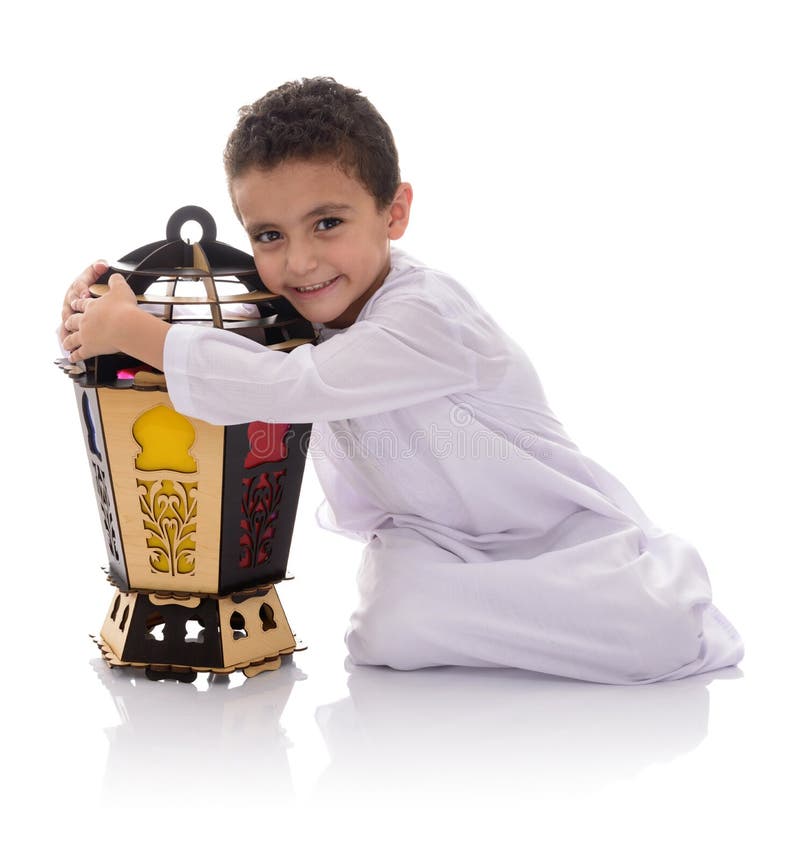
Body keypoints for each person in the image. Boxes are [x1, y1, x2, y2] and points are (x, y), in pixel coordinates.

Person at [61, 77, 744, 684]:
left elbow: (295, 386)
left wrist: (134, 331)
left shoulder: (427, 314)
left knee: (659, 630)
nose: (300, 261)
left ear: (394, 212)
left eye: (327, 223)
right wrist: (100, 315)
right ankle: (512, 620)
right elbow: (215, 341)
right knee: (383, 630)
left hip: (559, 537)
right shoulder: (301, 313)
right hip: (434, 542)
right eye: (268, 235)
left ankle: (631, 590)